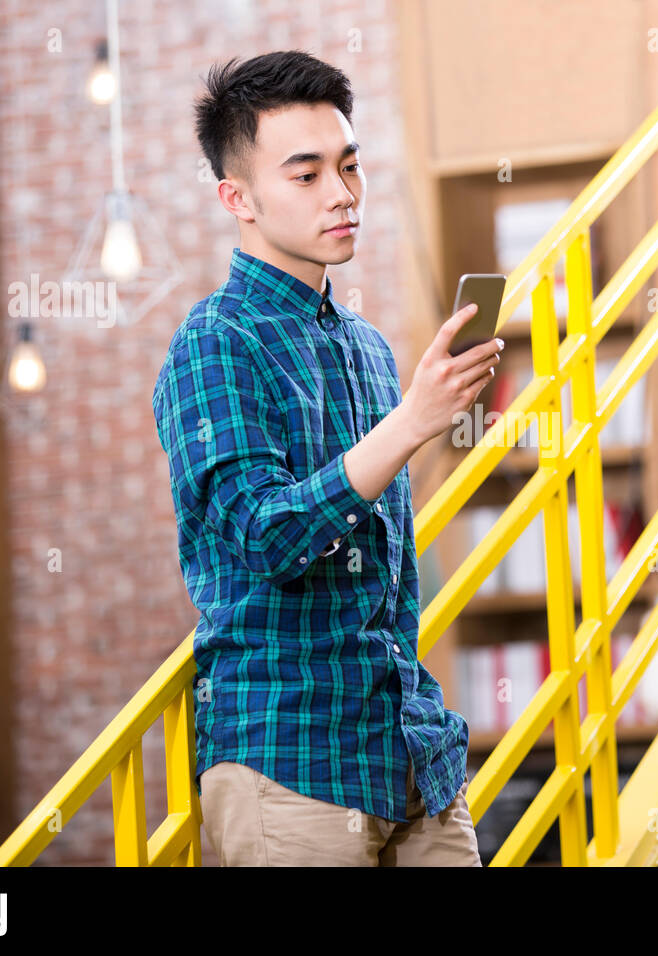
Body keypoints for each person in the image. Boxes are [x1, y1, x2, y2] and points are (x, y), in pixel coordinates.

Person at [151, 50, 502, 865]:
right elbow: (269, 537)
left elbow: (389, 573)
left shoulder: (371, 351)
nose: (343, 194)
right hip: (291, 759)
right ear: (236, 198)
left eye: (349, 166)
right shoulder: (214, 343)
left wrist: (419, 414)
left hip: (414, 753)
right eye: (306, 175)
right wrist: (412, 422)